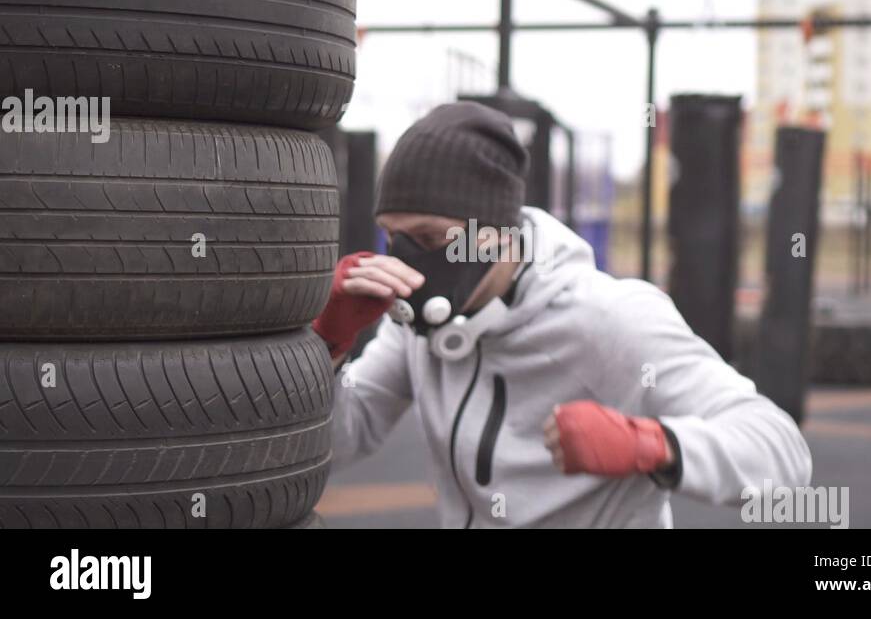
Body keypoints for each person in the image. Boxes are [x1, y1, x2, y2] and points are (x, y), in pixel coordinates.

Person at [313, 102, 811, 528]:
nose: (406, 261)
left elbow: (782, 456)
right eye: (393, 238)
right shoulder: (419, 328)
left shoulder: (609, 318)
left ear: (498, 231)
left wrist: (653, 445)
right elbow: (340, 443)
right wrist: (327, 348)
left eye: (429, 240)